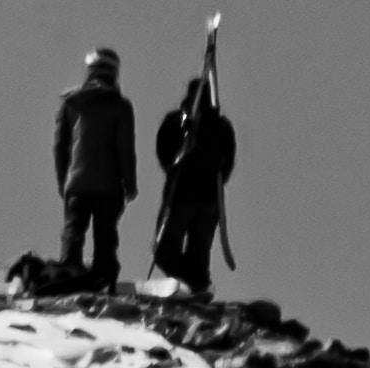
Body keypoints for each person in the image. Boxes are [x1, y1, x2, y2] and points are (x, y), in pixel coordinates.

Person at [147, 64, 237, 297]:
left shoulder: (178, 120)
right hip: (209, 199)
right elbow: (228, 163)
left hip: (182, 194)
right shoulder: (221, 125)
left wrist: (174, 168)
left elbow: (163, 151)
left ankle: (189, 284)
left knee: (165, 249)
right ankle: (196, 285)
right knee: (199, 252)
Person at [50, 48, 136, 287]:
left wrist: (63, 182)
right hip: (109, 186)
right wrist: (129, 183)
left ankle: (68, 275)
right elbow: (125, 149)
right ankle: (103, 280)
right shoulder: (120, 106)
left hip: (76, 183)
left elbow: (60, 146)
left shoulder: (71, 103)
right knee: (105, 236)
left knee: (73, 233)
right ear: (114, 72)